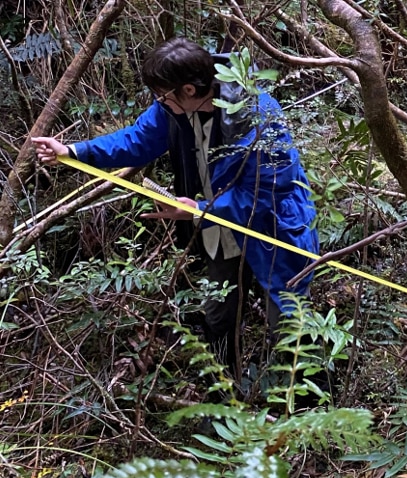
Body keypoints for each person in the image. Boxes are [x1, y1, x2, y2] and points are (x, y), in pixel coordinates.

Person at [33, 37, 319, 375]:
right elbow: (137, 140)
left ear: (190, 89)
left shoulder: (257, 115)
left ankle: (302, 394)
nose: (159, 101)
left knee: (288, 324)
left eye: (163, 95)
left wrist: (202, 209)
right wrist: (74, 151)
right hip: (217, 230)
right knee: (219, 313)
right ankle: (226, 385)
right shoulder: (173, 109)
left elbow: (269, 191)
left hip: (272, 231)